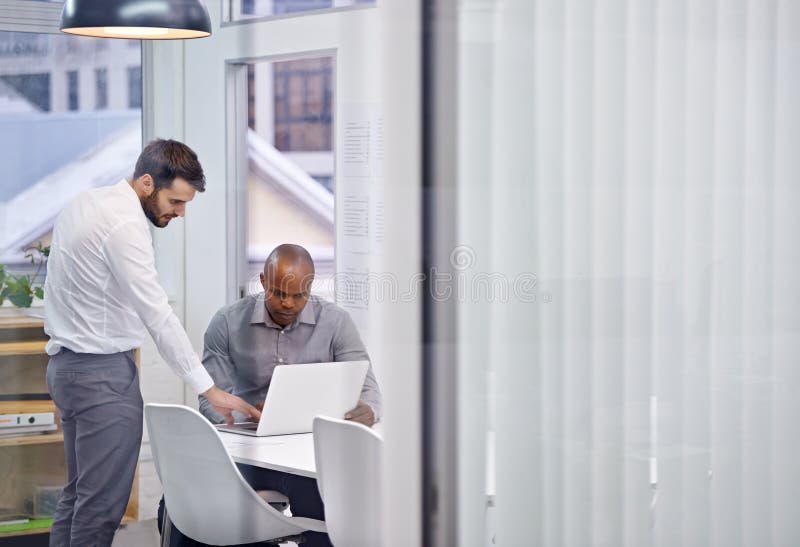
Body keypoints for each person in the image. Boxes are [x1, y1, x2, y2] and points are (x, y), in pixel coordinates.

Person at [44, 139, 261, 547]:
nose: (180, 213)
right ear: (146, 183)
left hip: (66, 370)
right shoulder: (125, 226)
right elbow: (157, 314)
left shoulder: (85, 204)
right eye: (175, 201)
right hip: (102, 377)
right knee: (99, 509)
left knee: (77, 498)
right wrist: (208, 389)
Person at [158, 243, 381, 547]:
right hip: (245, 452)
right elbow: (211, 400)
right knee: (183, 499)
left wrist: (368, 409)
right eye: (278, 293)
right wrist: (250, 417)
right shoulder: (227, 322)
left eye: (299, 295)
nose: (288, 303)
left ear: (310, 286)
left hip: (306, 454)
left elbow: (368, 388)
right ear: (263, 281)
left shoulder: (336, 322)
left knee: (329, 508)